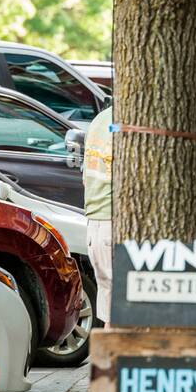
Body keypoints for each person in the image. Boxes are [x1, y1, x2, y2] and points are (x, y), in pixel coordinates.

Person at [83, 104, 113, 325]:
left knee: (111, 304)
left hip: (96, 221)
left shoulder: (99, 120)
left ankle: (113, 357)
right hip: (116, 221)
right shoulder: (128, 125)